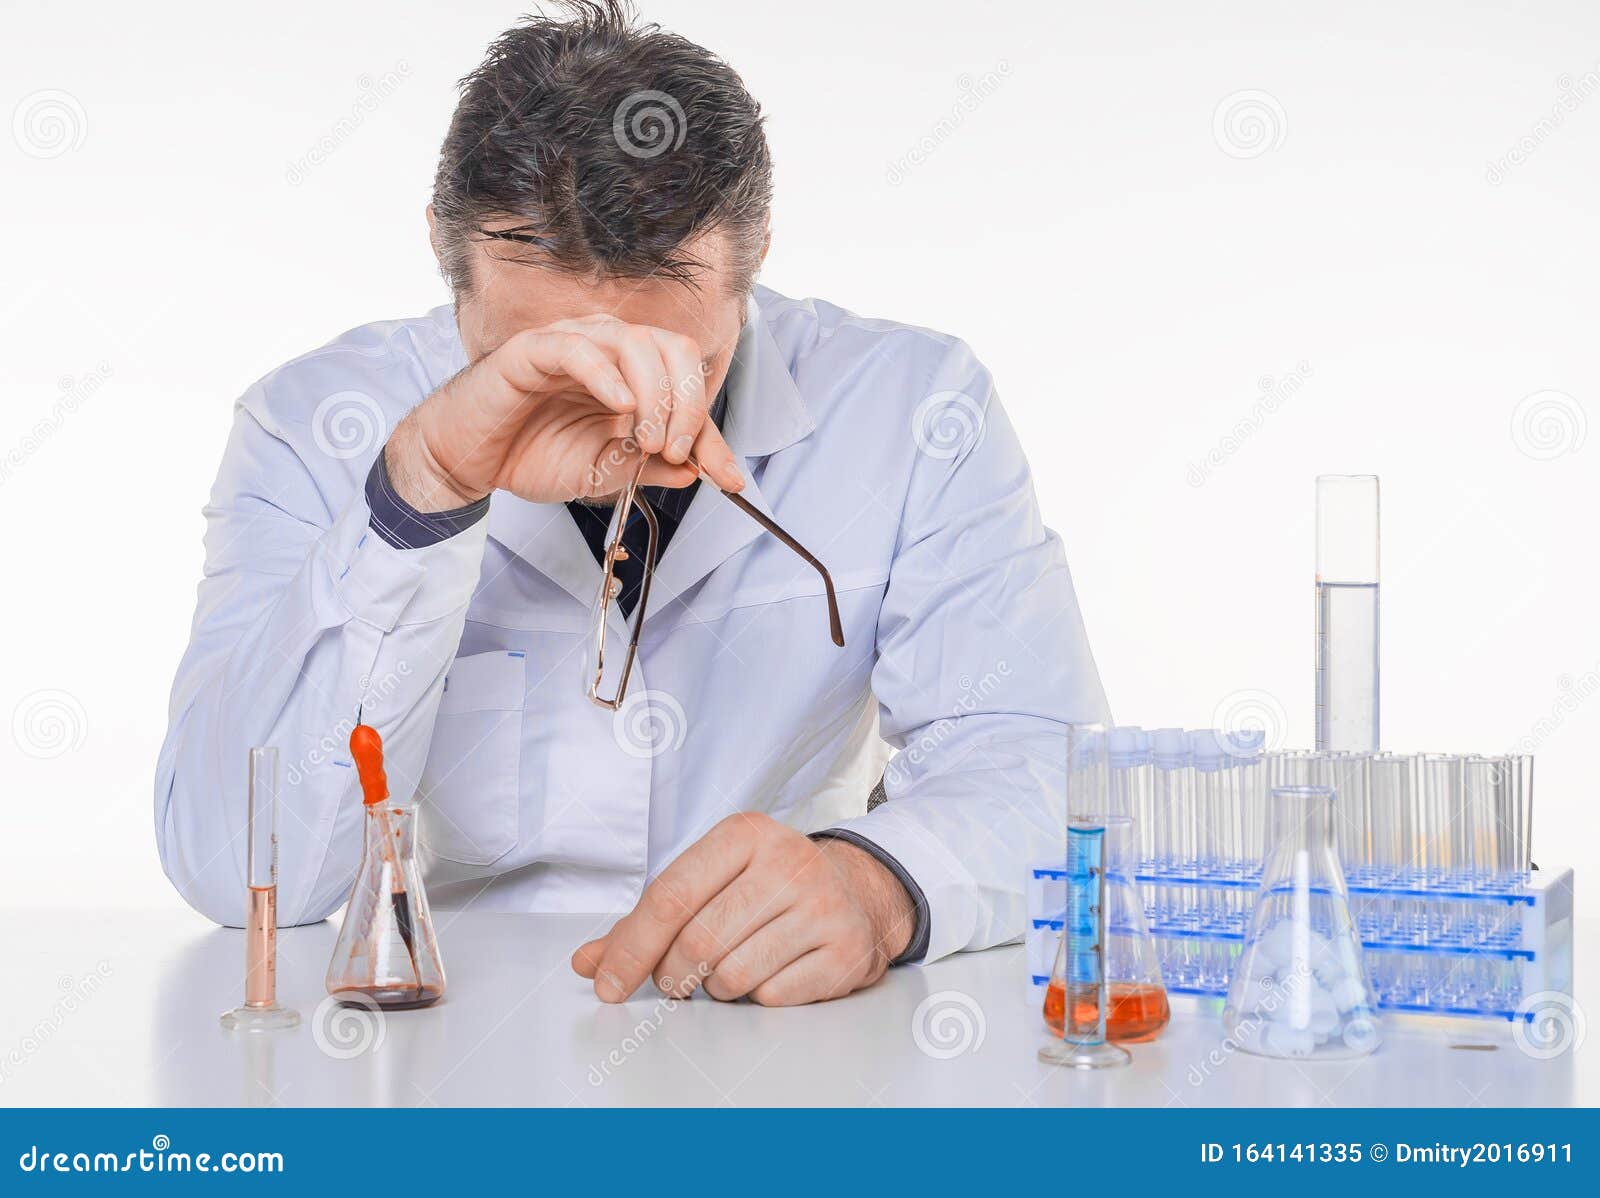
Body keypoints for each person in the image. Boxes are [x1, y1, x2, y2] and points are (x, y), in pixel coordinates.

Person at [155, 0, 1107, 1007]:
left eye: (674, 363)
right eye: (537, 364)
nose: (616, 412)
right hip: (454, 1042)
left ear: (756, 253)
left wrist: (878, 882)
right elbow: (237, 865)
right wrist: (421, 495)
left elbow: (1043, 764)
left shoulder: (913, 408)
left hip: (786, 1038)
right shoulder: (316, 424)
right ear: (443, 248)